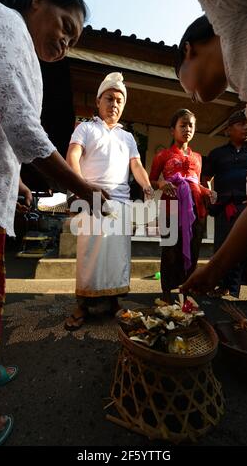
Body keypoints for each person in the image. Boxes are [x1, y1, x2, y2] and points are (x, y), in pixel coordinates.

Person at [0, 0, 107, 446]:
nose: (66, 42)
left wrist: (21, 188)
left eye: (74, 39)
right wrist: (83, 188)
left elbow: (0, 127)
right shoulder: (3, 20)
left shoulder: (21, 45)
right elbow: (21, 126)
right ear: (35, 1)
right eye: (66, 24)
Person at [172, 0, 247, 325]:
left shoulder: (228, 13)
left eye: (183, 86)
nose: (192, 98)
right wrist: (214, 269)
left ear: (188, 51)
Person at [64, 72, 153, 330]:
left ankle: (114, 301)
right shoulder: (86, 128)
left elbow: (136, 165)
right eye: (109, 99)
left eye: (119, 101)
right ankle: (82, 305)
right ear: (98, 101)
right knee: (89, 256)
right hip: (91, 201)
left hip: (121, 204)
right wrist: (82, 188)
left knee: (117, 257)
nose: (114, 104)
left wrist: (146, 185)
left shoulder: (127, 137)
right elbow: (72, 156)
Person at [149, 109, 212, 304]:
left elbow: (198, 183)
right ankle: (167, 293)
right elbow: (150, 180)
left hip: (197, 210)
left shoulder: (199, 158)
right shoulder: (163, 155)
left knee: (193, 252)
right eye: (182, 125)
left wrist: (209, 192)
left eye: (190, 125)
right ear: (172, 130)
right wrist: (160, 184)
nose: (187, 129)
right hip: (171, 210)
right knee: (170, 251)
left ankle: (186, 291)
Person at [202, 110, 247, 297]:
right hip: (225, 208)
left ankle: (246, 289)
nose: (246, 127)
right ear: (228, 130)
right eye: (241, 123)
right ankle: (222, 286)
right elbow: (205, 178)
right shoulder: (217, 154)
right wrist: (212, 198)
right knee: (223, 247)